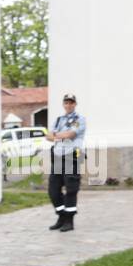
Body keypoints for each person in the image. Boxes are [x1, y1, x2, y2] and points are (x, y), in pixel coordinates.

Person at [48, 93, 86, 232]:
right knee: (53, 191)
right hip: (58, 157)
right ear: (63, 104)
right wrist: (59, 136)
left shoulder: (79, 119)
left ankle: (69, 221)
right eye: (66, 103)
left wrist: (56, 135)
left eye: (71, 103)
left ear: (75, 104)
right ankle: (61, 216)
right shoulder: (58, 120)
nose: (68, 105)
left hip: (71, 156)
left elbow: (71, 134)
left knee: (71, 190)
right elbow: (48, 136)